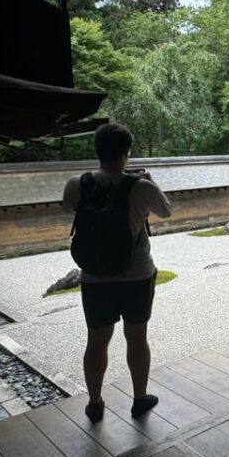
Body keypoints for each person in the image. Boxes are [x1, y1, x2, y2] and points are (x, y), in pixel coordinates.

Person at [62, 124, 171, 422]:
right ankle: (139, 398)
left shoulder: (77, 184)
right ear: (127, 152)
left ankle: (95, 402)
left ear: (97, 151)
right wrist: (149, 181)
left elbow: (67, 210)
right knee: (136, 337)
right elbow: (166, 211)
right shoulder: (141, 186)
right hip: (136, 274)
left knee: (96, 340)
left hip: (95, 277)